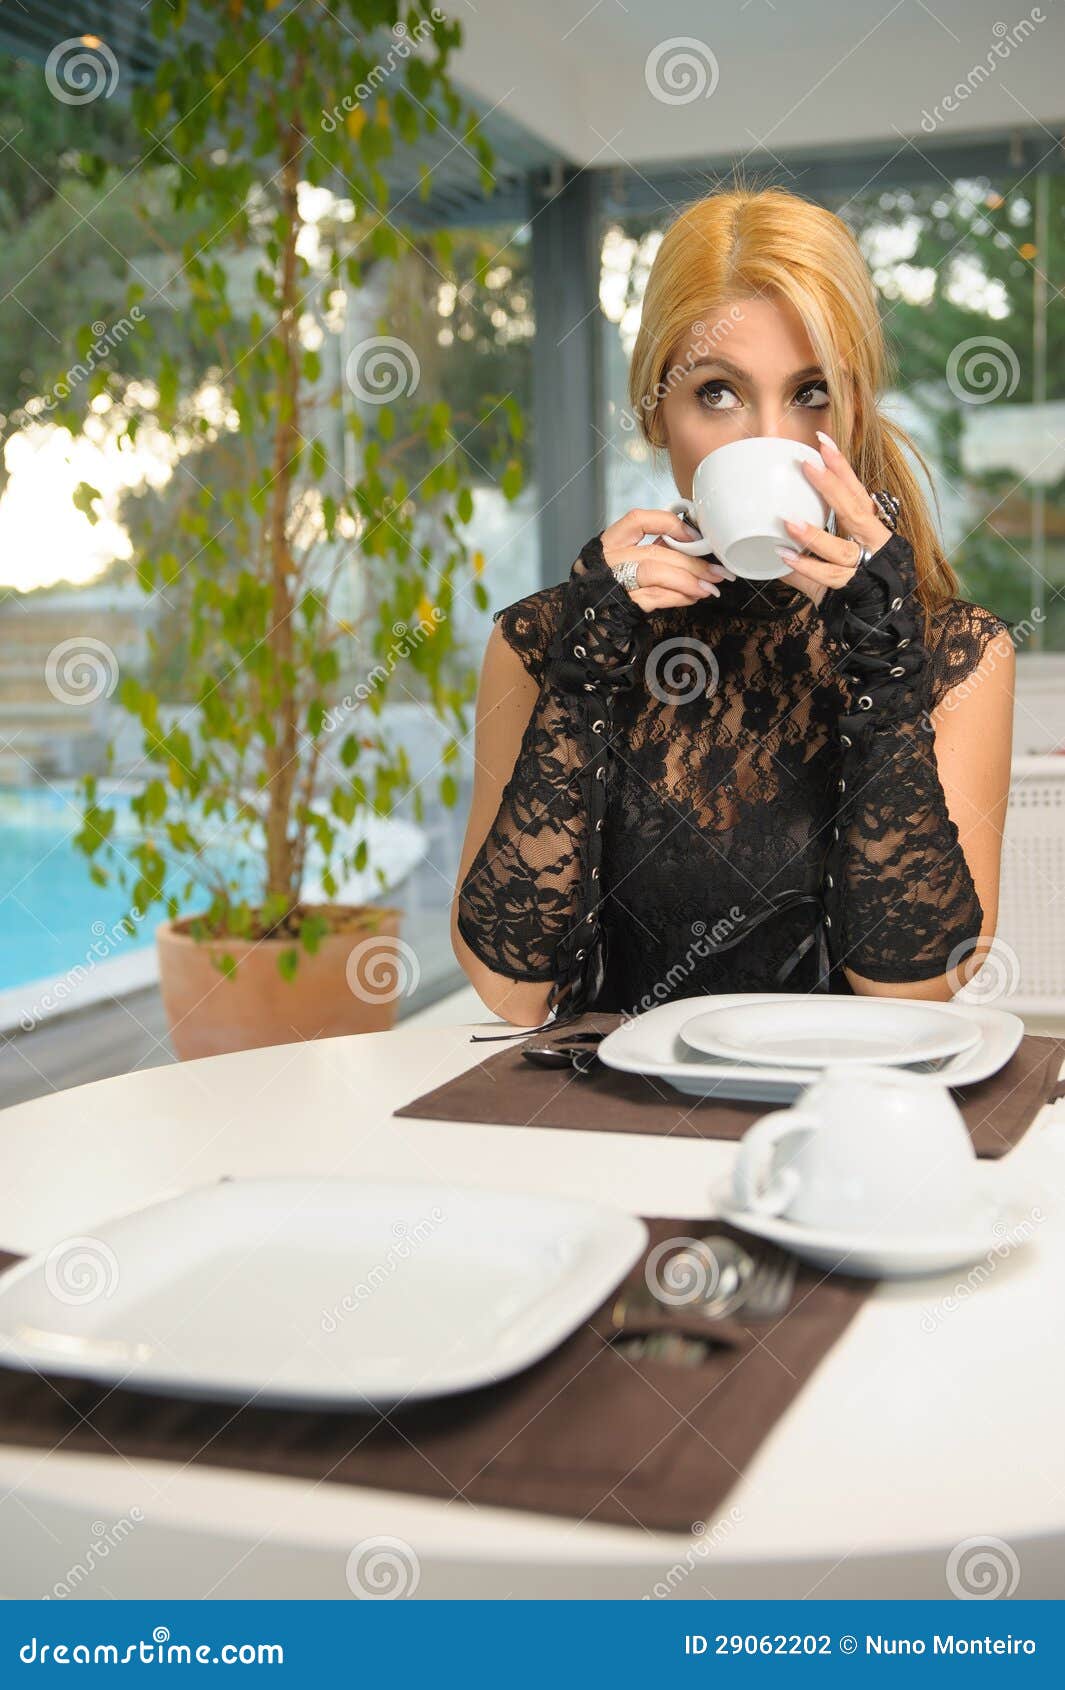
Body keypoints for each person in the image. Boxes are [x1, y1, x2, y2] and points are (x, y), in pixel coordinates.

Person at [451, 185, 1015, 1032]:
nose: (768, 439)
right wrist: (580, 679)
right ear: (656, 414)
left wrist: (882, 672)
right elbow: (511, 994)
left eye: (812, 392)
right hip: (604, 1135)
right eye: (716, 393)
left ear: (856, 409)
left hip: (841, 1135)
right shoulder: (544, 642)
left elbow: (914, 996)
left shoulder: (954, 653)